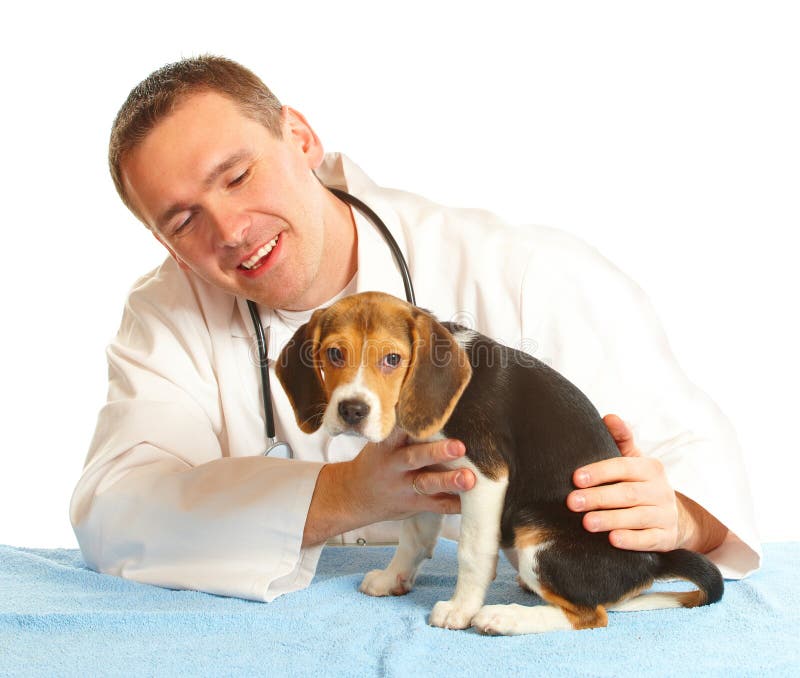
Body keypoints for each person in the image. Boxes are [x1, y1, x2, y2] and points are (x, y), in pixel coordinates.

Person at [70, 55, 760, 602]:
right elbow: (114, 509)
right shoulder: (164, 317)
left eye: (239, 175)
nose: (229, 230)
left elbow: (699, 465)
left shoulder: (518, 270)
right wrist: (345, 495)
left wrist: (682, 517)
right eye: (183, 220)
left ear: (300, 138)